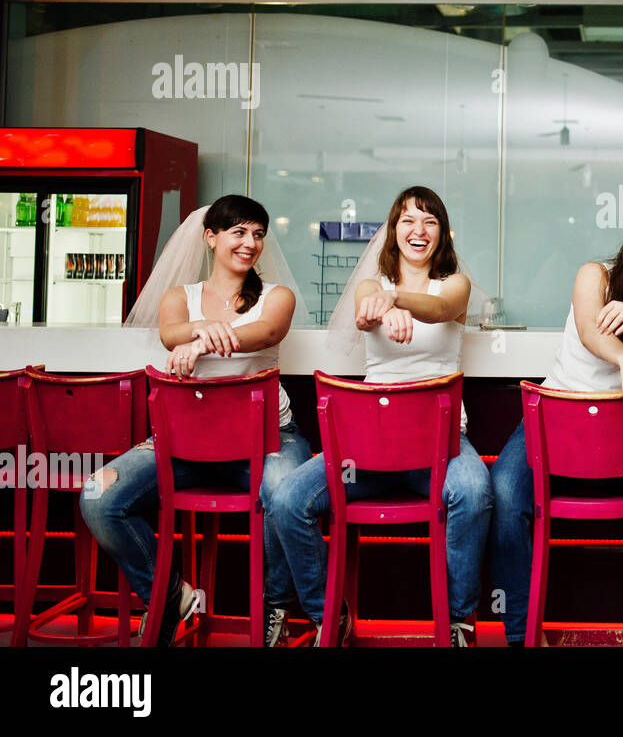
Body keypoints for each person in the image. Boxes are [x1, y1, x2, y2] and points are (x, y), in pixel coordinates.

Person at [80, 195, 312, 646]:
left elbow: (265, 332)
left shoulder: (275, 297)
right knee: (97, 496)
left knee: (285, 498)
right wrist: (195, 332)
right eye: (238, 232)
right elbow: (170, 332)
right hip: (188, 443)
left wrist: (201, 342)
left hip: (269, 439)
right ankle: (170, 595)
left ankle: (275, 610)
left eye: (258, 234)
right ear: (211, 237)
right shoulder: (178, 297)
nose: (250, 243)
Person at [266, 186, 491, 647]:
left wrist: (398, 302)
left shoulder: (454, 285)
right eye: (408, 220)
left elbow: (443, 308)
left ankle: (458, 623)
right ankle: (328, 616)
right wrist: (380, 304)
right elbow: (366, 306)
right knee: (288, 499)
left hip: (440, 447)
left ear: (442, 234)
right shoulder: (371, 285)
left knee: (475, 491)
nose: (418, 230)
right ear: (394, 231)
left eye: (429, 221)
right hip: (367, 453)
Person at [488, 196, 623, 647]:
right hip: (552, 426)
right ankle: (521, 633)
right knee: (505, 492)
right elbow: (588, 328)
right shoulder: (594, 275)